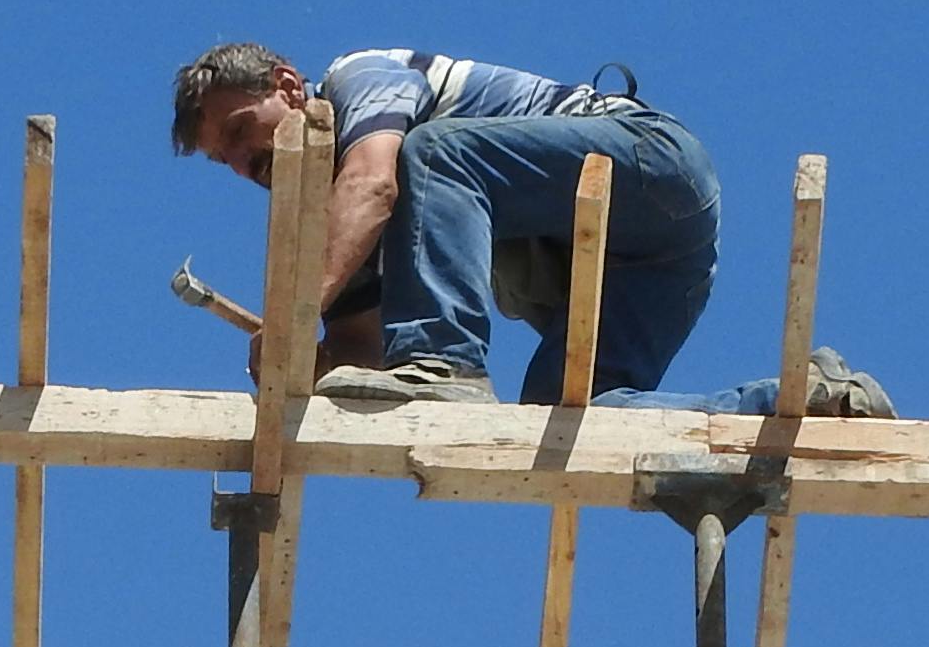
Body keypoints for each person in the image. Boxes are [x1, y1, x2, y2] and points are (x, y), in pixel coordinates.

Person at [168, 42, 892, 416]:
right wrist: (303, 367)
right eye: (223, 158)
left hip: (645, 167)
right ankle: (809, 397)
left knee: (434, 151)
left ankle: (449, 365)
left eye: (240, 130)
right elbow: (366, 358)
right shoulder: (345, 229)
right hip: (636, 267)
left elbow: (379, 179)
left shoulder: (360, 81)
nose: (243, 161)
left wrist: (297, 310)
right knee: (569, 424)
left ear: (289, 86)